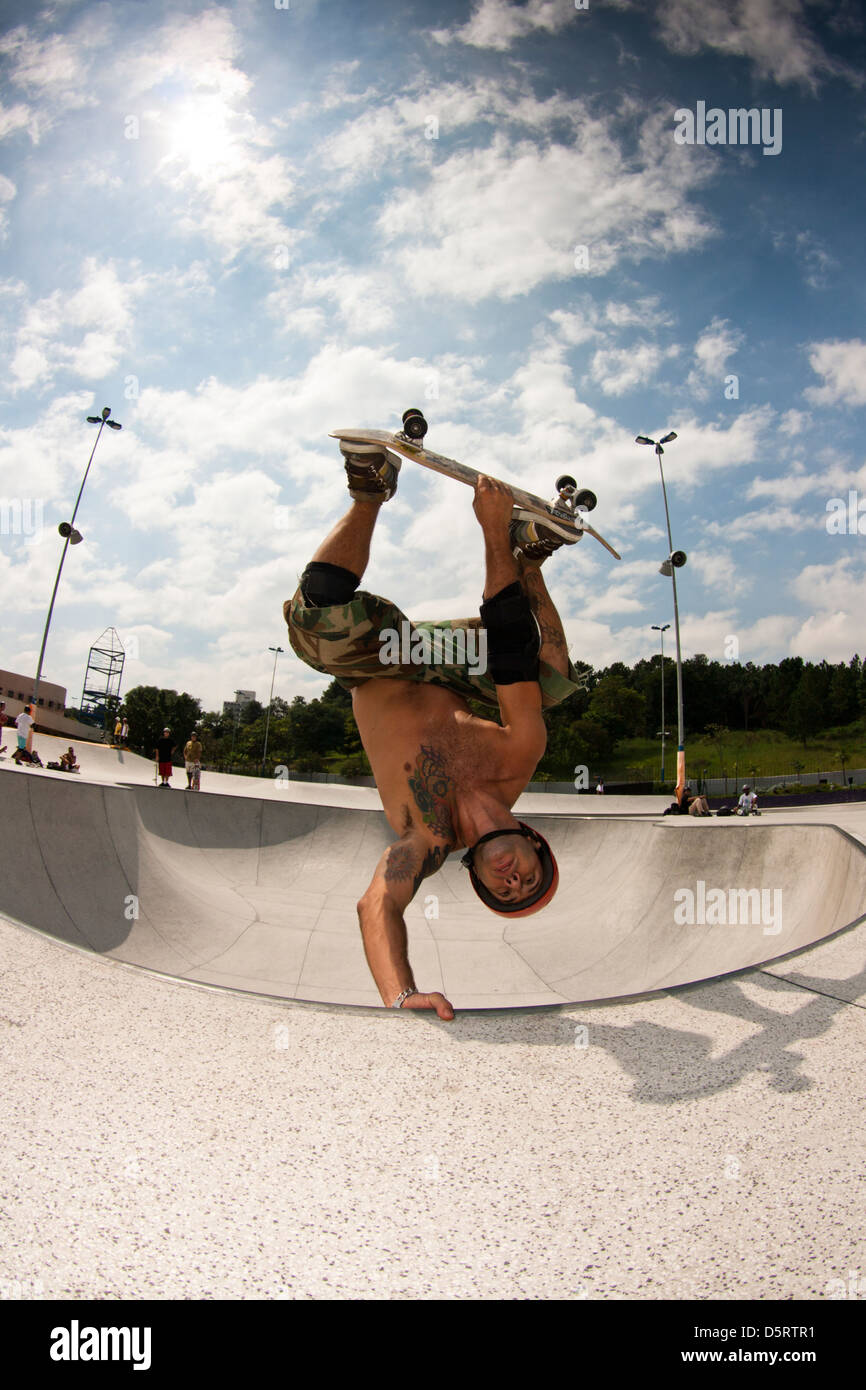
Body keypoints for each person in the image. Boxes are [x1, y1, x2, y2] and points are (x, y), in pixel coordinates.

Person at [285, 440, 588, 1020]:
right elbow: (508, 651)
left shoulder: (423, 842)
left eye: (505, 892)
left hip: (381, 660)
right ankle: (529, 557)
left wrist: (400, 993)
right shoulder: (519, 755)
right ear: (535, 843)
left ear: (475, 874)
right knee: (547, 677)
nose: (514, 881)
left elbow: (378, 904)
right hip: (441, 655)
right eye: (529, 878)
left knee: (317, 624)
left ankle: (370, 491)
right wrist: (496, 538)